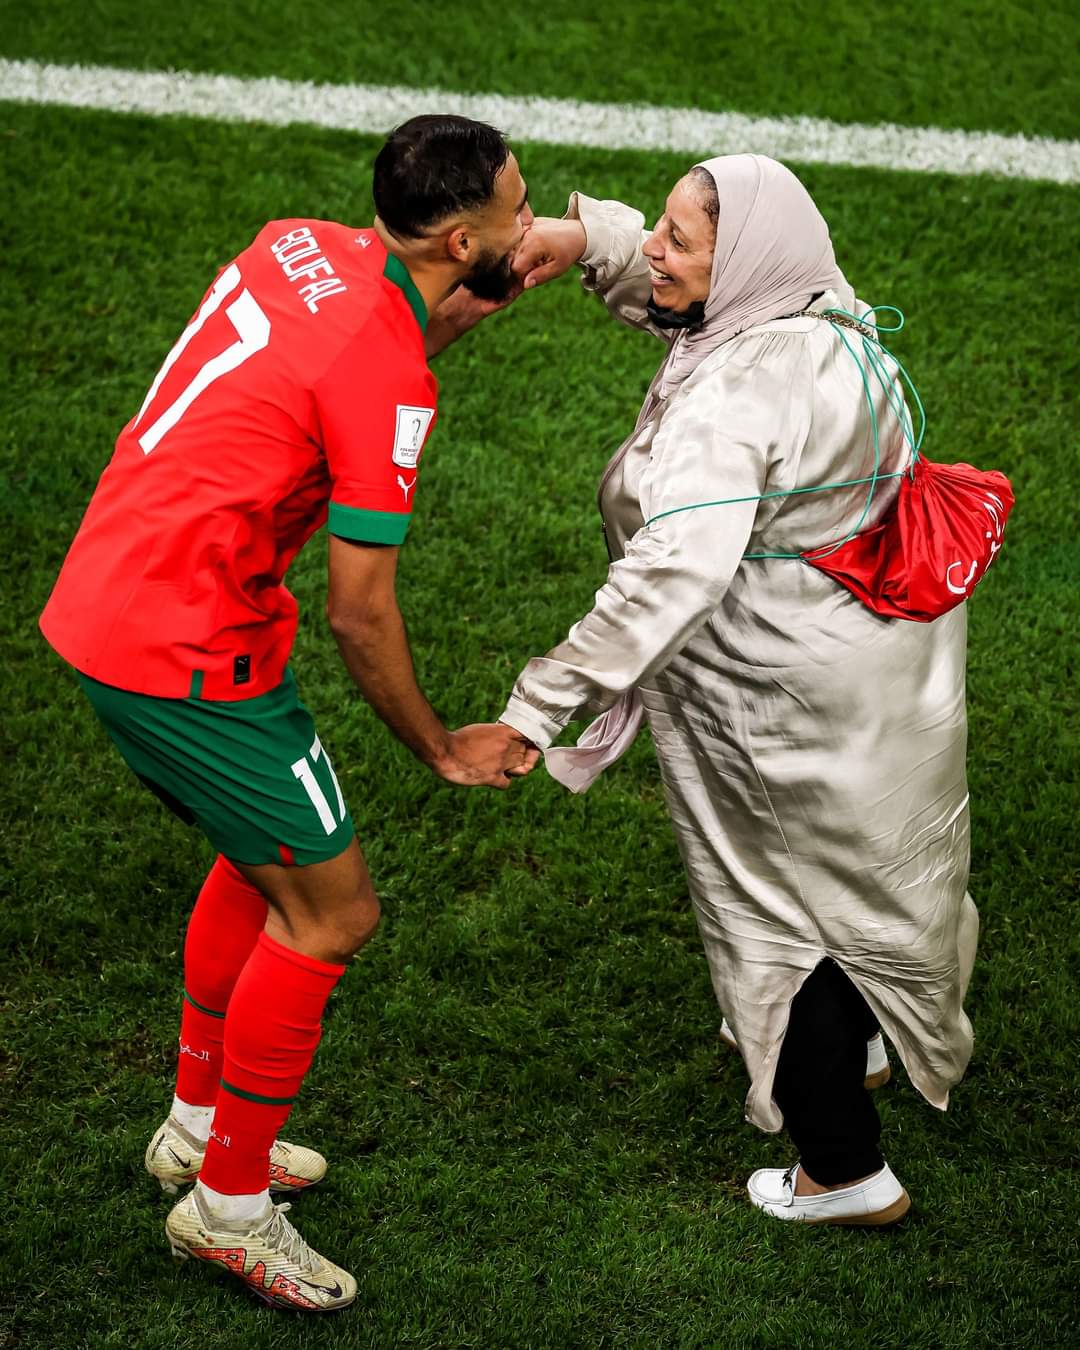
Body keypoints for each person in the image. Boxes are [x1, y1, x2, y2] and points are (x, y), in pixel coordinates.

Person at [39, 114, 539, 1311]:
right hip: (188, 653)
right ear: (460, 234)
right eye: (519, 211)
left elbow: (384, 336)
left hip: (118, 593)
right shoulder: (387, 376)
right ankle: (227, 1207)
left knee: (259, 861)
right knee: (332, 913)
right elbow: (362, 614)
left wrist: (537, 258)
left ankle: (194, 1127)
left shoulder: (300, 244)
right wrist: (440, 745)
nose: (530, 220)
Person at [501, 154, 977, 1227]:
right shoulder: (822, 301)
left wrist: (538, 706)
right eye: (658, 231)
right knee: (857, 877)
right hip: (878, 673)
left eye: (678, 237)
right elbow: (691, 299)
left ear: (745, 258)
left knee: (781, 919)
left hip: (777, 700)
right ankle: (862, 1047)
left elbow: (672, 574)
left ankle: (845, 1175)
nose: (658, 254)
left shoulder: (729, 403)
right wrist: (595, 241)